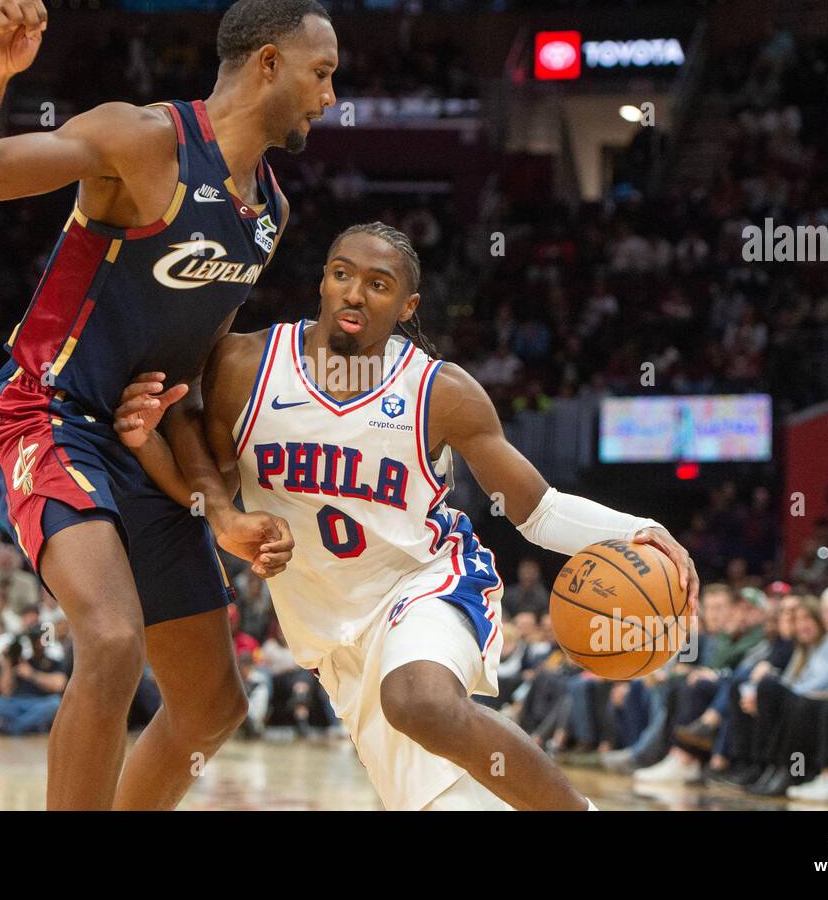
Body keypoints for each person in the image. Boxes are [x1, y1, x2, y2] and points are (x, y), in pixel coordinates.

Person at [129, 222, 698, 810]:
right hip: (331, 633)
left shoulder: (441, 392)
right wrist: (149, 444)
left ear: (408, 307)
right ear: (323, 280)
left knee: (419, 701)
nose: (354, 293)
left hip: (428, 582)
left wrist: (636, 529)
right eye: (342, 274)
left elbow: (537, 511)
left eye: (379, 284)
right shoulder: (246, 365)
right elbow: (212, 491)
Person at [0, 0, 330, 809]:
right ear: (268, 64)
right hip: (45, 411)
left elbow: (181, 386)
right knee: (111, 641)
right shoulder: (144, 138)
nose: (331, 96)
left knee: (212, 706)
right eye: (321, 73)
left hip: (141, 440)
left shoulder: (270, 210)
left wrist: (221, 514)